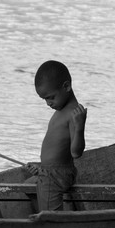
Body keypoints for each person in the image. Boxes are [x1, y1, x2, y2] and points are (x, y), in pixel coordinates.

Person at [25, 60, 87, 212]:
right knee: (27, 187)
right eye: (44, 99)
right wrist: (42, 168)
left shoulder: (74, 113)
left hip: (57, 174)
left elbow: (76, 153)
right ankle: (42, 208)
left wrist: (79, 127)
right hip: (50, 171)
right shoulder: (60, 111)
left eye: (51, 97)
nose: (48, 103)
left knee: (50, 215)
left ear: (66, 86)